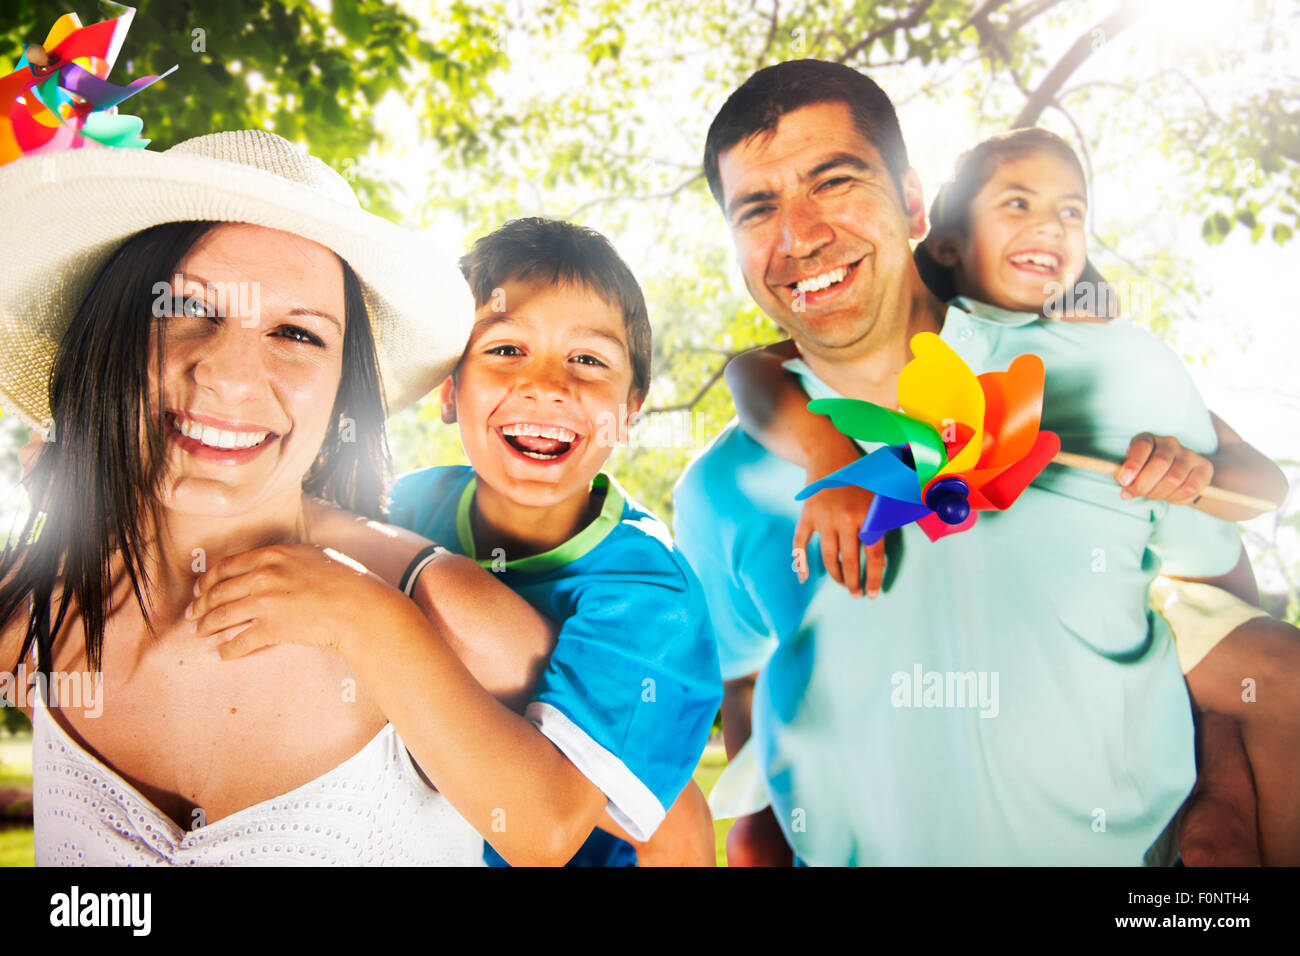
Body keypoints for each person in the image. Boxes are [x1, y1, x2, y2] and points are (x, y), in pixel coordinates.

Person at [672, 59, 1258, 865]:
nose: (799, 237)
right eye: (758, 207)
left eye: (833, 183)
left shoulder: (1116, 375)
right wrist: (764, 826)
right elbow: (739, 675)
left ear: (913, 202)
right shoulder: (719, 490)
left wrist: (1224, 800)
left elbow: (1224, 600)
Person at [0, 129, 559, 865]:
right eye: (183, 308)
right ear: (105, 340)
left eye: (296, 332)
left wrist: (373, 623)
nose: (228, 377)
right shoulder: (34, 612)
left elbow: (577, 831)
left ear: (341, 398)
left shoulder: (460, 628)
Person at [384, 217, 723, 866]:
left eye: (588, 361)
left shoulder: (653, 600)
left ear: (629, 413)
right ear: (449, 389)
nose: (546, 385)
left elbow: (576, 830)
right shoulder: (401, 507)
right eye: (506, 349)